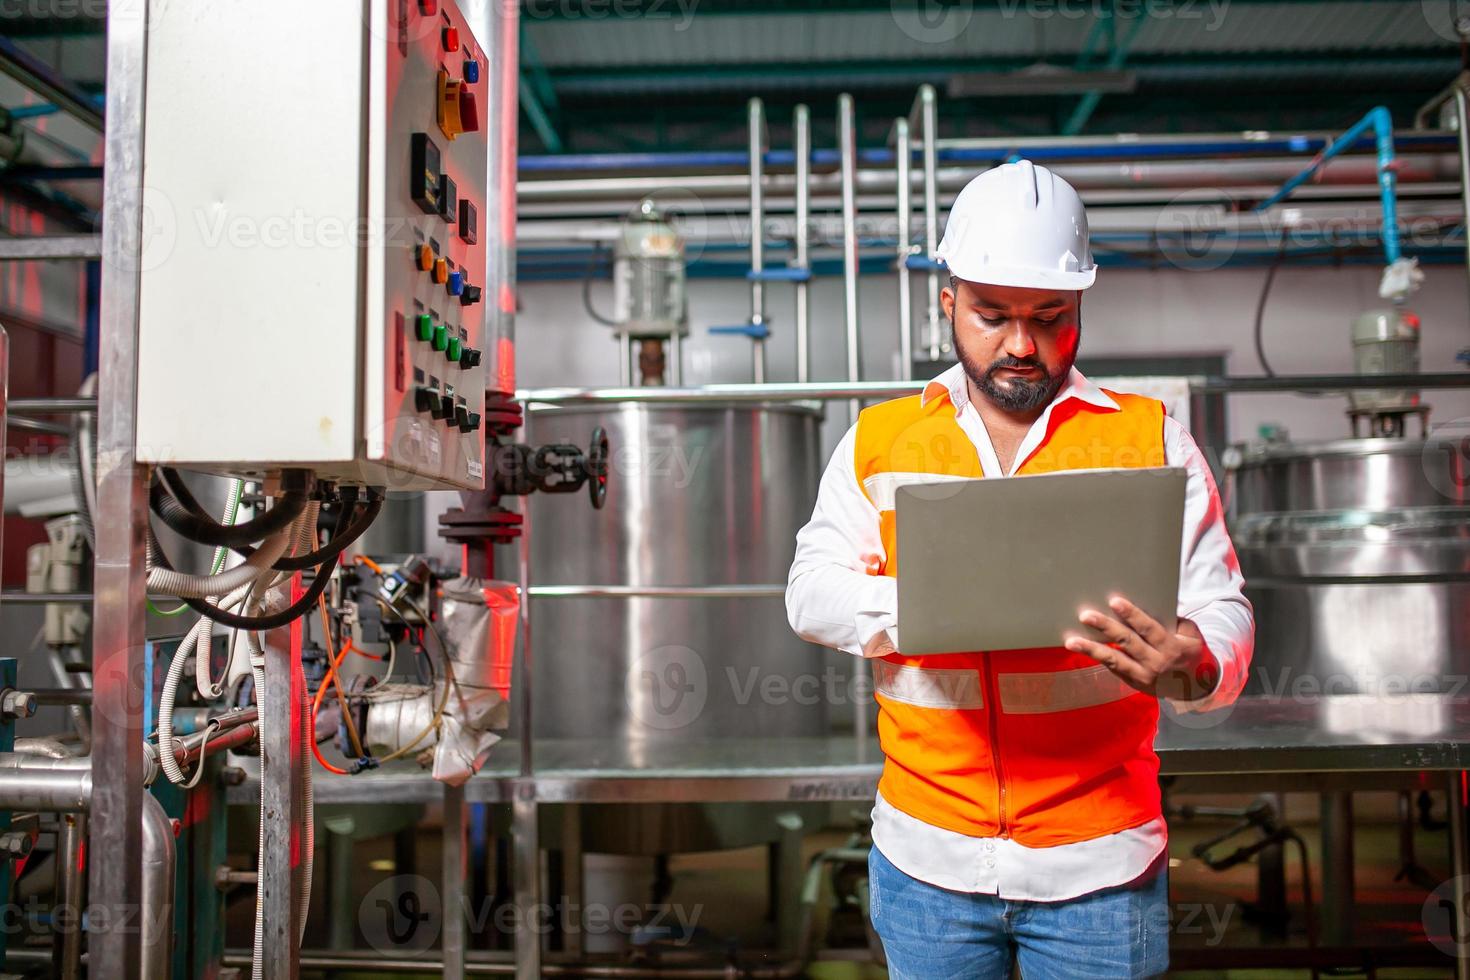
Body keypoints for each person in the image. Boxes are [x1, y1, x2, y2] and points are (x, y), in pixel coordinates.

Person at [785, 160, 1254, 979]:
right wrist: (939, 601)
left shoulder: (1153, 439)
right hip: (928, 856)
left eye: (1050, 316)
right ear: (947, 303)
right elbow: (810, 595)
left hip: (1100, 863)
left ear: (1080, 308)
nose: (1021, 344)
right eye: (991, 314)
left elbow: (1223, 609)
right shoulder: (881, 440)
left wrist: (1198, 662)